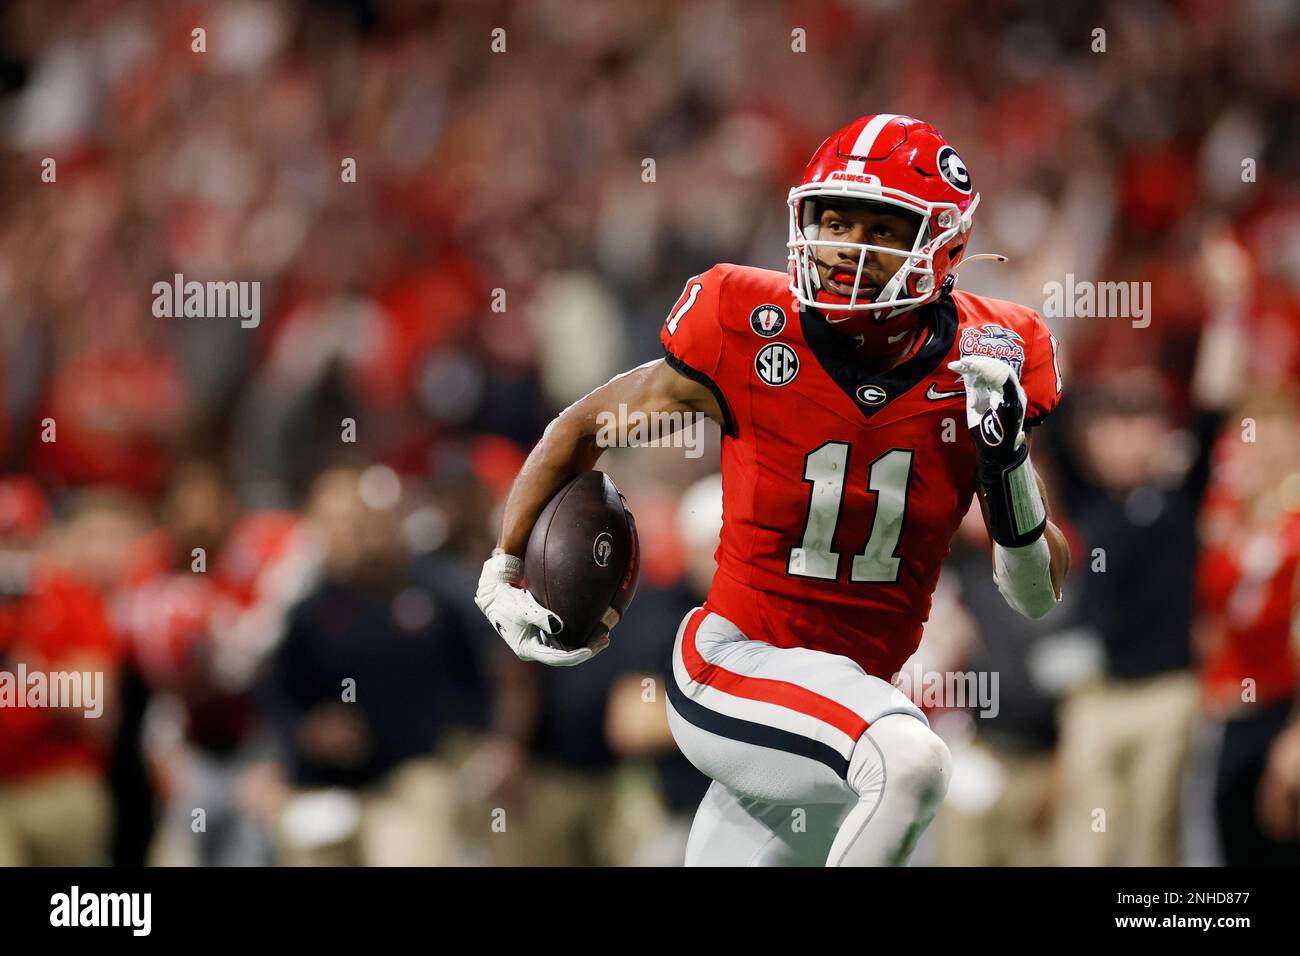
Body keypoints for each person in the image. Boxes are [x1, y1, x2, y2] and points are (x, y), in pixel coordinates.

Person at [475, 114, 1070, 866]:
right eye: (833, 220)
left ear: (943, 243)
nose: (844, 246)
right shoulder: (751, 325)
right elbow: (585, 426)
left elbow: (1035, 593)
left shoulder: (990, 359)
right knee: (910, 763)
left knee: (892, 759)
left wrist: (1005, 458)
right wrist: (503, 565)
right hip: (735, 666)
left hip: (833, 712)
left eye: (877, 228)